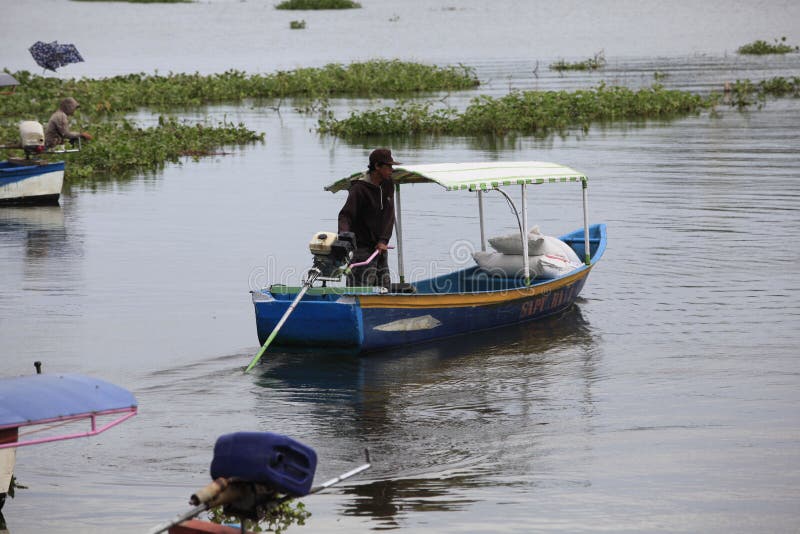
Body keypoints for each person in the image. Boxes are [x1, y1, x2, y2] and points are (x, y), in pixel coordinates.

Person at [338, 148, 399, 287]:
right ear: (377, 166)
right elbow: (345, 216)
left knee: (384, 287)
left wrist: (383, 240)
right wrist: (344, 238)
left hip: (380, 246)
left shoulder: (388, 184)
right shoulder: (359, 189)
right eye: (388, 166)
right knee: (360, 288)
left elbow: (389, 214)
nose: (391, 170)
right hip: (361, 248)